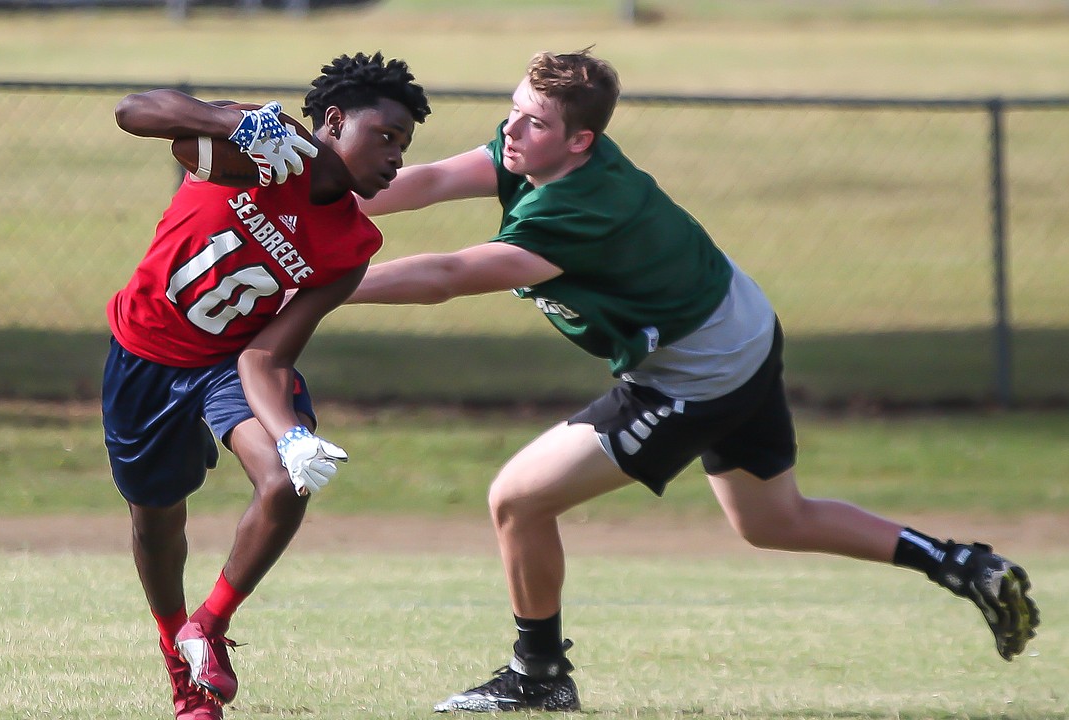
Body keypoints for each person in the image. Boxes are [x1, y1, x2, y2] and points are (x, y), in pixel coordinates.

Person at [344, 49, 1040, 713]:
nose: (512, 130)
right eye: (515, 110)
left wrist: (313, 282)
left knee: (518, 501)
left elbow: (447, 277)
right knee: (774, 520)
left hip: (697, 373)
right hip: (740, 326)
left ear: (581, 141)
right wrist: (313, 203)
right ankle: (960, 564)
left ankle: (538, 676)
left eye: (535, 122)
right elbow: (426, 182)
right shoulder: (534, 153)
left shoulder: (578, 207)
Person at [104, 52, 430, 720]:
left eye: (405, 147)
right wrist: (234, 123)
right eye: (387, 137)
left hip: (227, 364)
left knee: (285, 481)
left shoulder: (353, 245)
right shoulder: (263, 143)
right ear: (334, 121)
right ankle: (177, 660)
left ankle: (209, 628)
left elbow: (270, 356)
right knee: (155, 523)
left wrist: (292, 437)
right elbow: (133, 112)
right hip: (145, 354)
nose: (396, 158)